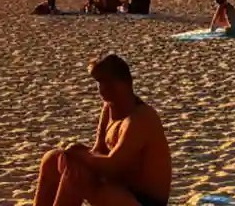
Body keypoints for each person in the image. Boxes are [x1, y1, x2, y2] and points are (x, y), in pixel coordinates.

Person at [32, 54, 172, 206]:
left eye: (109, 83)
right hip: (119, 187)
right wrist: (73, 156)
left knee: (79, 173)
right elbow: (98, 151)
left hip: (143, 200)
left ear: (125, 83)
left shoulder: (140, 118)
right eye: (100, 83)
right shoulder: (109, 108)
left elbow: (113, 165)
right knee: (53, 159)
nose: (104, 89)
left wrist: (81, 156)